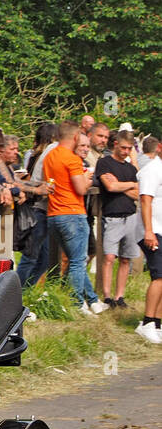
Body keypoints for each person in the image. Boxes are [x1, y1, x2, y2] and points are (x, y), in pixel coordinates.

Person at [44, 120, 106, 314]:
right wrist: (87, 179)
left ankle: (93, 300)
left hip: (54, 213)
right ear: (75, 136)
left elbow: (51, 183)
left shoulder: (50, 156)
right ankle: (77, 304)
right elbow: (80, 188)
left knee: (75, 258)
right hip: (72, 213)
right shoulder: (72, 159)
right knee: (79, 261)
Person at [94, 130, 139, 308]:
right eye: (123, 148)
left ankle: (120, 296)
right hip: (112, 216)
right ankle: (107, 295)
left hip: (130, 216)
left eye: (129, 149)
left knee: (126, 258)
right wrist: (130, 185)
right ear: (116, 145)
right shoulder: (104, 163)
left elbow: (138, 194)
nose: (126, 151)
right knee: (109, 257)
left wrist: (123, 186)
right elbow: (110, 186)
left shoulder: (131, 168)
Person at [16, 122, 59, 289]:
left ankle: (25, 291)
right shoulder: (46, 154)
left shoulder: (39, 155)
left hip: (41, 207)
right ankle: (17, 293)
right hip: (36, 207)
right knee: (31, 256)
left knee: (44, 258)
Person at [136, 152, 162, 344]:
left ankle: (157, 323)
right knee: (159, 276)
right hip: (153, 230)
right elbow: (146, 200)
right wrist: (149, 231)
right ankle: (147, 322)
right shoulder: (152, 170)